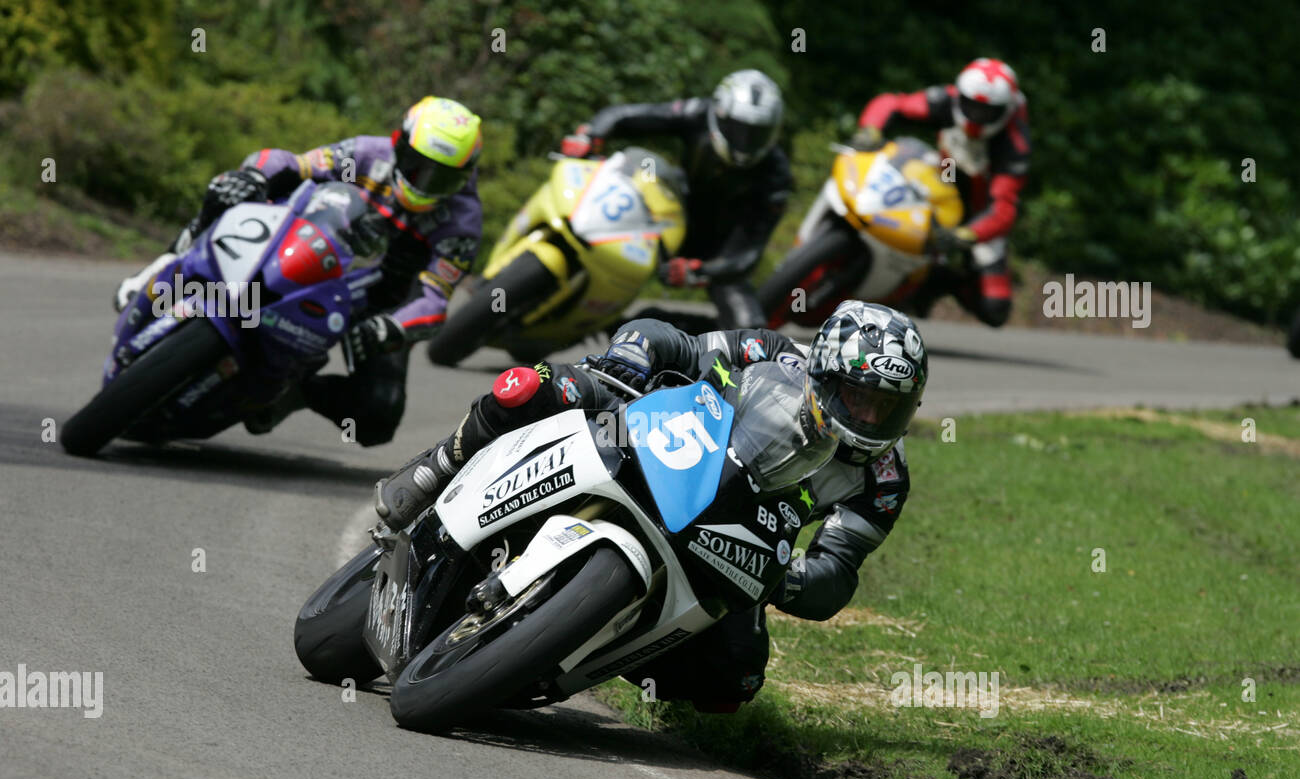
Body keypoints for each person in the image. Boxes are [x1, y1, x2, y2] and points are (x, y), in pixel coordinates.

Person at [374, 300, 927, 711]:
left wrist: (791, 580)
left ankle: (574, 648)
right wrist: (631, 357)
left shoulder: (884, 479)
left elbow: (838, 568)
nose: (869, 418)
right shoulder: (775, 355)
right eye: (859, 397)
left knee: (733, 683)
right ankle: (436, 468)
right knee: (535, 385)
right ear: (824, 374)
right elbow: (670, 340)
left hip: (738, 537)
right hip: (664, 446)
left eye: (887, 407)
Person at [113, 96, 484, 446]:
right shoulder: (367, 154)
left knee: (378, 416)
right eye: (419, 167)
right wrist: (254, 175)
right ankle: (165, 264)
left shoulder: (464, 222)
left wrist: (392, 327)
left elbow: (435, 299)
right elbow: (292, 164)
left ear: (466, 175)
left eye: (444, 178)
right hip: (305, 247)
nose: (426, 183)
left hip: (376, 304)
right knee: (226, 191)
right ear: (399, 144)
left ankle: (294, 392)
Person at [557, 69, 792, 331]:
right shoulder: (697, 112)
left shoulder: (776, 174)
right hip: (668, 212)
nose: (745, 141)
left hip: (716, 249)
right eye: (739, 129)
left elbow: (748, 251)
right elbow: (626, 115)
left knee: (751, 331)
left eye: (756, 133)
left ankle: (649, 329)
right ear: (720, 112)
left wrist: (702, 270)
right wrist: (591, 135)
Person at [853, 58, 1030, 328]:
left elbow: (1004, 207)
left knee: (995, 308)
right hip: (940, 179)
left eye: (987, 111)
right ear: (960, 95)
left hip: (980, 212)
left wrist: (965, 235)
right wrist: (870, 129)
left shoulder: (1014, 144)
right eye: (972, 106)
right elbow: (891, 104)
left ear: (1005, 109)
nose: (977, 115)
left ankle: (935, 283)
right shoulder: (946, 99)